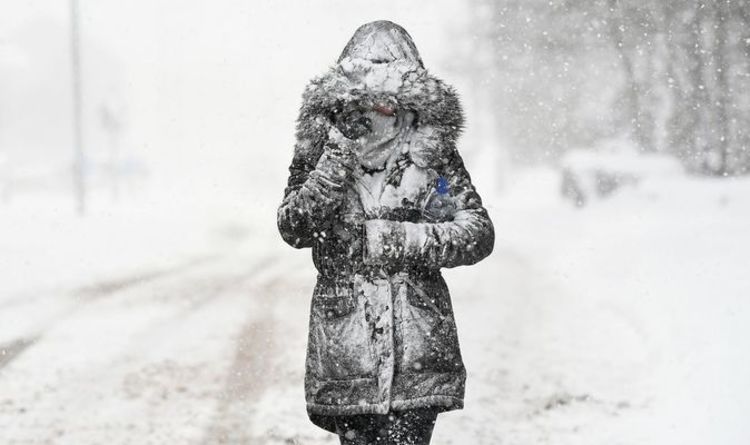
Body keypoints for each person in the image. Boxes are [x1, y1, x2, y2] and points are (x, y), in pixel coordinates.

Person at [277, 20, 495, 445]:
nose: (379, 109)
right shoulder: (323, 149)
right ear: (346, 96)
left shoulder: (432, 156)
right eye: (367, 98)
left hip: (419, 347)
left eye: (390, 98)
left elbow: (476, 232)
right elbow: (294, 226)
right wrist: (335, 161)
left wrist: (396, 240)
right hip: (346, 351)